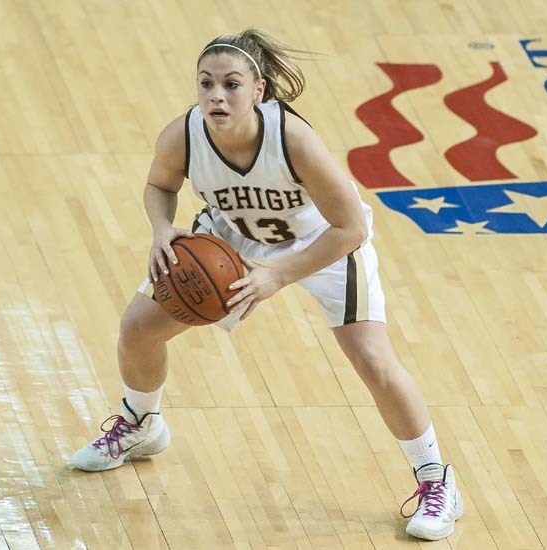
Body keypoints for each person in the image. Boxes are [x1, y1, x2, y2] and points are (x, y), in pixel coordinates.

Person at [71, 29, 462, 541]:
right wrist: (162, 229)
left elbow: (351, 228)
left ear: (258, 91)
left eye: (231, 84)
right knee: (138, 327)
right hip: (232, 238)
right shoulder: (182, 135)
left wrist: (278, 275)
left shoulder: (293, 139)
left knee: (372, 360)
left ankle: (436, 482)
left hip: (322, 242)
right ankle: (142, 424)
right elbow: (159, 185)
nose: (216, 95)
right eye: (206, 83)